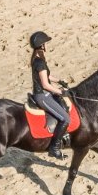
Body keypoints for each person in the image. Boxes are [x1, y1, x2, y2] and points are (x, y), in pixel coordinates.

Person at [27, 30, 70, 158]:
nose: (47, 45)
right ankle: (54, 148)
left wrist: (60, 81)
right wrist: (61, 92)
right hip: (42, 96)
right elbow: (45, 85)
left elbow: (47, 76)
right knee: (66, 119)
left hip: (45, 94)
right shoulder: (40, 62)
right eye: (46, 43)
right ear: (42, 45)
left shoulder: (38, 59)